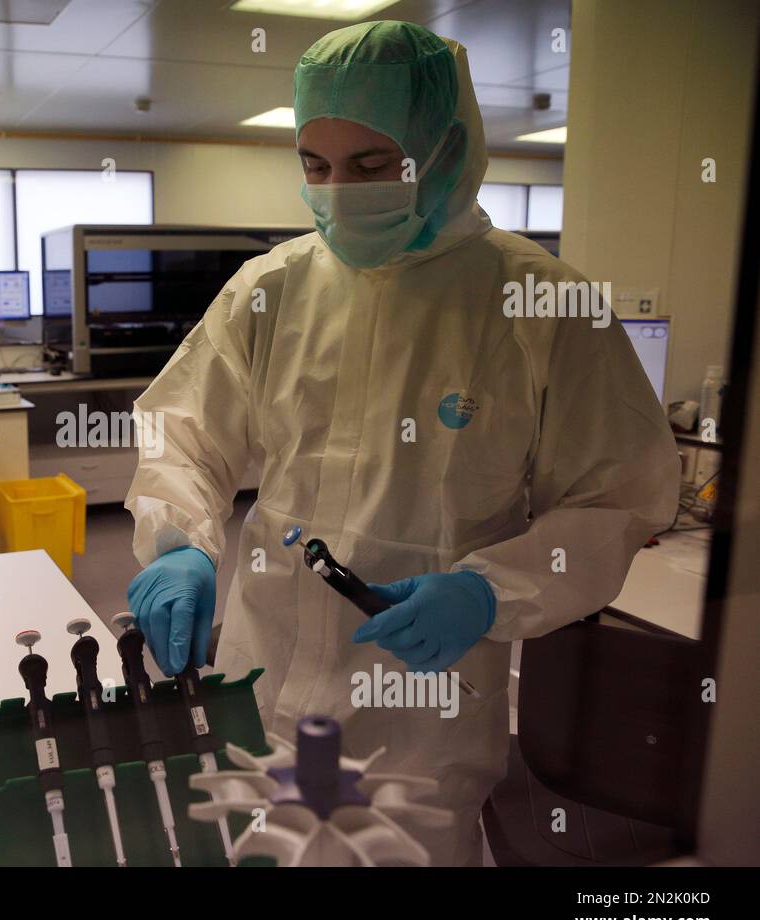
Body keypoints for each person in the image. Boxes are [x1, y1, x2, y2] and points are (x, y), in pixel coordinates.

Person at [125, 21, 680, 865]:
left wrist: (492, 593)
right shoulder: (271, 290)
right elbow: (185, 432)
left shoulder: (541, 306)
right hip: (261, 684)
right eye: (316, 166)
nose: (338, 191)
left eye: (373, 166)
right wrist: (180, 542)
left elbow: (617, 499)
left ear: (447, 149)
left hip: (421, 723)